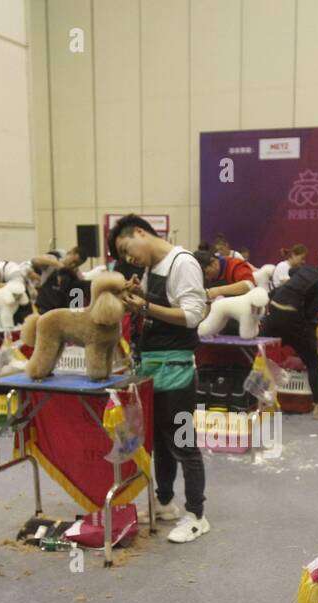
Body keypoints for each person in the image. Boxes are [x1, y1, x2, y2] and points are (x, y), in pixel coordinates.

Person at [109, 214, 210, 543]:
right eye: (123, 257)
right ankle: (165, 502)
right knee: (160, 443)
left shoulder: (182, 262)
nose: (129, 259)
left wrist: (146, 306)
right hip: (152, 369)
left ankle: (196, 515)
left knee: (183, 443)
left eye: (127, 249)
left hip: (178, 371)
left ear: (140, 232)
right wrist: (141, 297)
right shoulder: (152, 269)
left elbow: (194, 314)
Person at [261, 260, 318, 420]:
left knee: (259, 356)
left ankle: (256, 402)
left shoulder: (307, 269)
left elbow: (292, 272)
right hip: (291, 318)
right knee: (312, 362)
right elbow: (310, 314)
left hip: (273, 310)